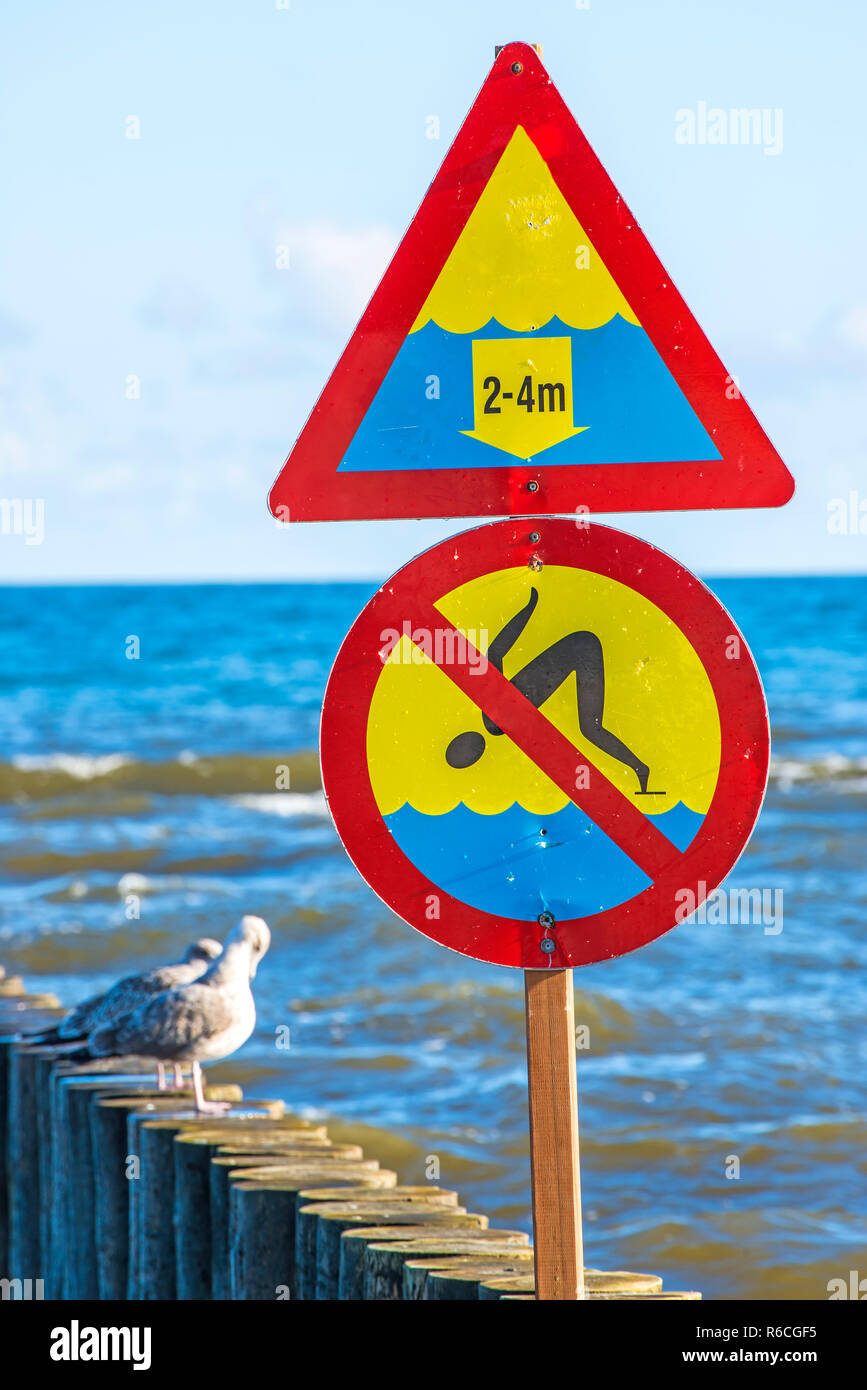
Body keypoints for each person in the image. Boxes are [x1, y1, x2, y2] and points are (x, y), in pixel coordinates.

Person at [444, 587, 651, 793]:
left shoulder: (495, 708)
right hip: (583, 647)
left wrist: (529, 608)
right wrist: (529, 609)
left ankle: (640, 770)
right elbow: (496, 651)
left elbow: (496, 650)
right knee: (591, 729)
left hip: (584, 649)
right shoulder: (498, 713)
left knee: (591, 729)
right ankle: (640, 770)